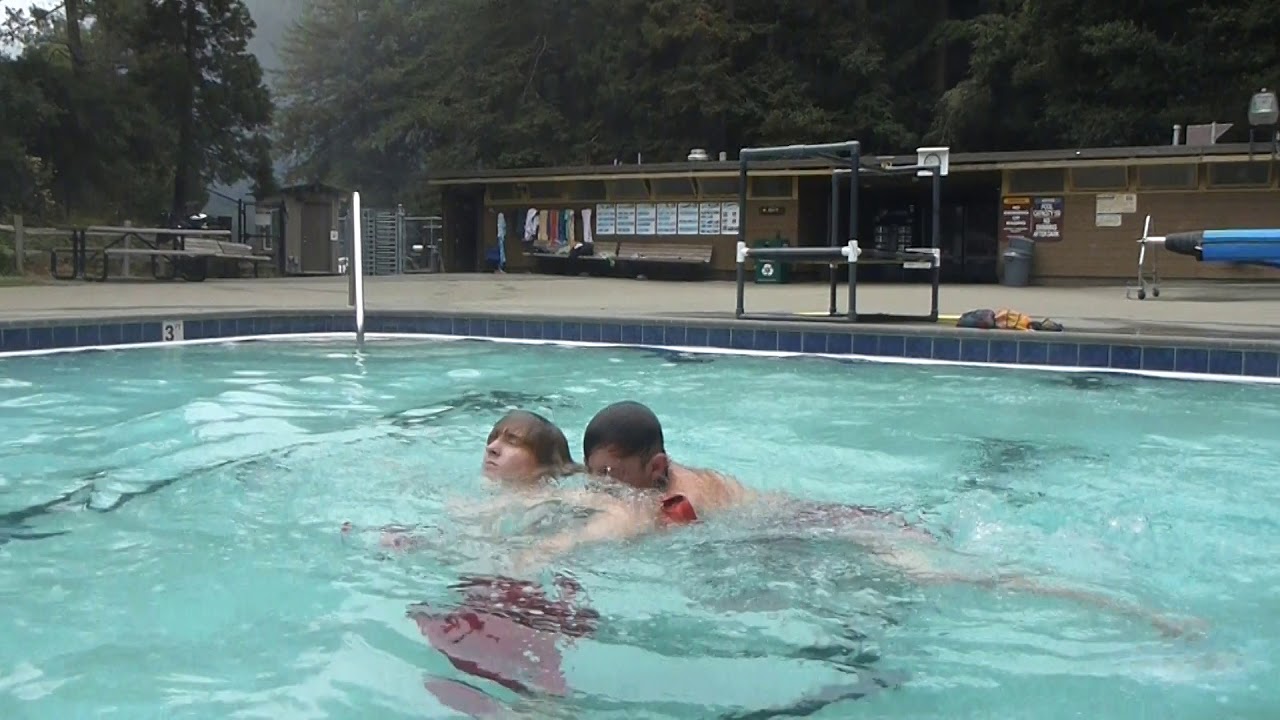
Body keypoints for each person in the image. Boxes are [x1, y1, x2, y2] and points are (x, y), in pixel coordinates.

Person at [519, 400, 1205, 639]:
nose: (604, 488)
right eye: (596, 475)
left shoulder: (675, 501)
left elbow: (612, 533)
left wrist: (535, 558)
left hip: (830, 531)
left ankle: (1140, 615)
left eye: (613, 477)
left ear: (655, 465)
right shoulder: (651, 474)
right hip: (811, 520)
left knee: (961, 579)